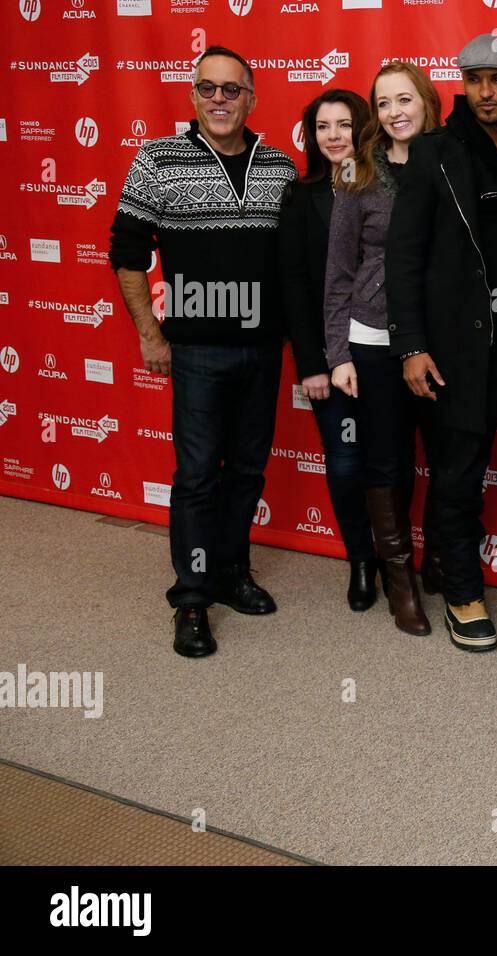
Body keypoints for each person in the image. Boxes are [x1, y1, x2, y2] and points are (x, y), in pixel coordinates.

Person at [109, 46, 297, 658]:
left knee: (246, 472)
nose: (220, 99)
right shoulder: (157, 159)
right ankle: (192, 597)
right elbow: (128, 252)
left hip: (263, 350)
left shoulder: (279, 167)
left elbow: (294, 264)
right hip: (196, 353)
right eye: (208, 88)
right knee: (195, 479)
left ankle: (232, 572)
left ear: (252, 97)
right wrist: (149, 332)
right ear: (192, 96)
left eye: (232, 89)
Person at [386, 34, 497, 652]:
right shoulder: (435, 150)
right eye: (474, 79)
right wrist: (410, 345)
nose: (486, 91)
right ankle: (461, 589)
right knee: (458, 473)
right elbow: (403, 258)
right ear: (462, 82)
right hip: (462, 345)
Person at [324, 63, 442, 636]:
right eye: (384, 102)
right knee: (386, 461)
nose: (396, 111)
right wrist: (338, 352)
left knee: (443, 458)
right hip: (372, 340)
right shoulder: (357, 171)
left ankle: (438, 560)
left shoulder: (448, 160)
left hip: (438, 340)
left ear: (426, 102)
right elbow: (339, 270)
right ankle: (401, 583)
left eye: (406, 99)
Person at [279, 88, 378, 613]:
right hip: (329, 355)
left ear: (364, 128)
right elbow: (294, 284)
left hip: (384, 351)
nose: (335, 136)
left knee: (388, 459)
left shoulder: (389, 187)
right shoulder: (301, 195)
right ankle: (361, 560)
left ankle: (396, 558)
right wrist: (312, 364)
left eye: (344, 125)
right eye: (323, 127)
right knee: (344, 461)